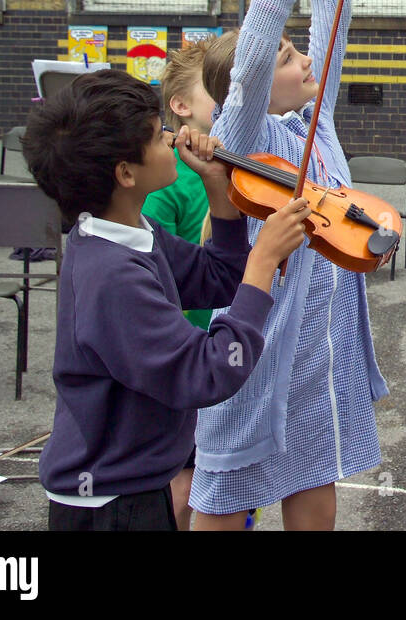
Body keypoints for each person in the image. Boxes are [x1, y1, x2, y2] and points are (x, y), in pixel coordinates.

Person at [21, 68, 309, 530]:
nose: (175, 140)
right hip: (109, 505)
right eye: (158, 137)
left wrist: (219, 188)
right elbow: (209, 371)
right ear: (125, 173)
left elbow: (219, 276)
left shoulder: (128, 233)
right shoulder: (111, 275)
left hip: (135, 484)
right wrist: (264, 263)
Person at [190, 0, 386, 532]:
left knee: (313, 478)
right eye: (287, 57)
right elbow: (245, 71)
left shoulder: (315, 123)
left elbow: (333, 20)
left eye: (297, 52)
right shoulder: (243, 134)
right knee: (226, 490)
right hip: (263, 347)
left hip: (323, 348)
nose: (304, 60)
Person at [142, 40, 218, 529]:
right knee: (188, 478)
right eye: (219, 91)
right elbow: (157, 270)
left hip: (235, 339)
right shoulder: (168, 176)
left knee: (228, 479)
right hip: (192, 347)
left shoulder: (252, 156)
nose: (233, 99)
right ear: (181, 106)